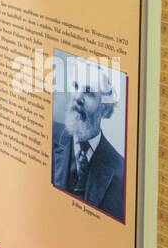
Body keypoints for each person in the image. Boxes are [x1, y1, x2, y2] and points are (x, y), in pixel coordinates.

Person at [51, 67, 126, 221]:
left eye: (88, 92)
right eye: (76, 86)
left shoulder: (121, 171)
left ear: (104, 108)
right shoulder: (48, 135)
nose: (78, 96)